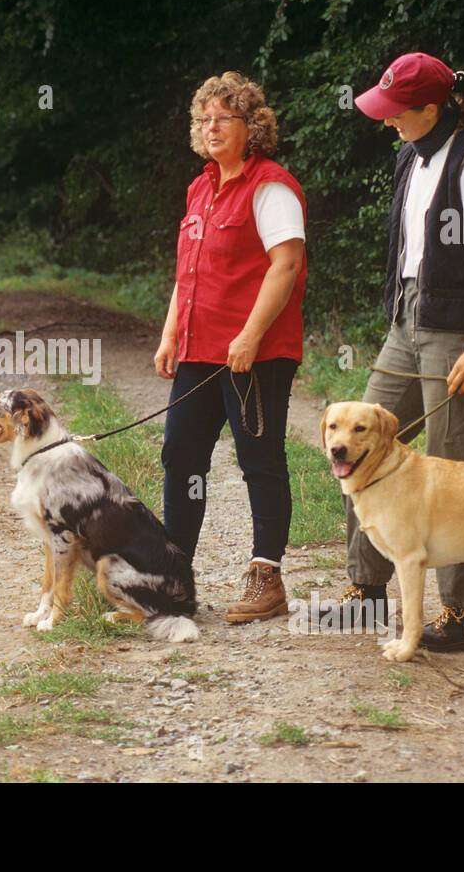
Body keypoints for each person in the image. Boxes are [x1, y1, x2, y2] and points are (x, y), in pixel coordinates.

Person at [312, 52, 464, 650]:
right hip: (406, 319)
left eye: (396, 113)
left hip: (458, 330)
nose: (387, 122)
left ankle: (461, 612)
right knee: (355, 441)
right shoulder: (410, 152)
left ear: (431, 109)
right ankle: (367, 589)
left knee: (452, 458)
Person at [154, 71, 307, 623]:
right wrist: (172, 332)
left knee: (259, 461)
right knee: (180, 456)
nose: (211, 127)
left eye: (224, 117)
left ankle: (267, 578)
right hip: (199, 351)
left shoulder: (271, 187)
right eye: (204, 119)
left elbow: (285, 265)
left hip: (255, 354)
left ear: (253, 126)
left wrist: (249, 335)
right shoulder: (200, 187)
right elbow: (187, 272)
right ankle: (174, 579)